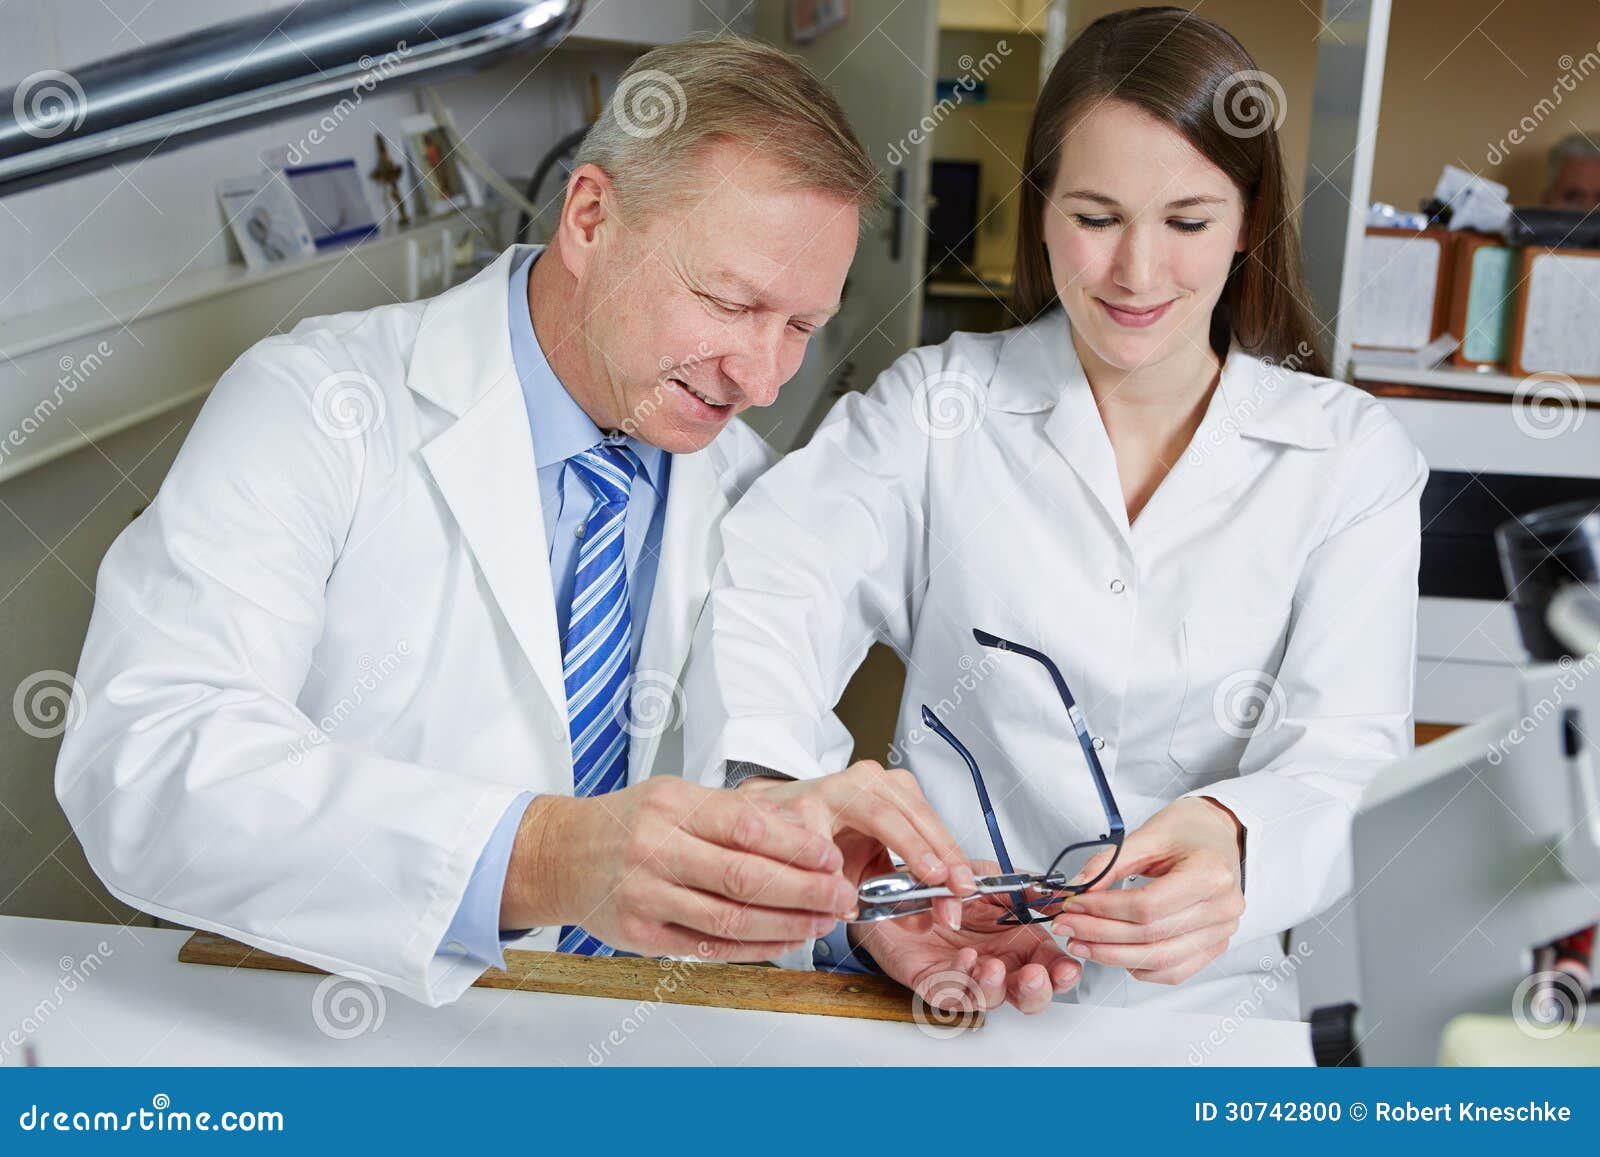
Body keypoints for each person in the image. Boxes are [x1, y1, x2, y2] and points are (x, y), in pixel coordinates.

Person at [54, 36, 976, 1009]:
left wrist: (856, 911)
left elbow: (761, 783)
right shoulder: (318, 407)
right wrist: (541, 857)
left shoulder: (752, 488)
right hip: (333, 1031)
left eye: (799, 326)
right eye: (727, 300)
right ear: (591, 219)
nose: (762, 379)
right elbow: (146, 762)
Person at [688, 7, 1429, 1018]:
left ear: (1247, 221)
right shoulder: (937, 409)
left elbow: (1349, 755)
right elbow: (774, 583)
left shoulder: (1347, 456)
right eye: (1096, 217)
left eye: (1187, 222)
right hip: (938, 976)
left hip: (1203, 1012)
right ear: (1039, 210)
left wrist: (1234, 838)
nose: (1137, 272)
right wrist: (796, 807)